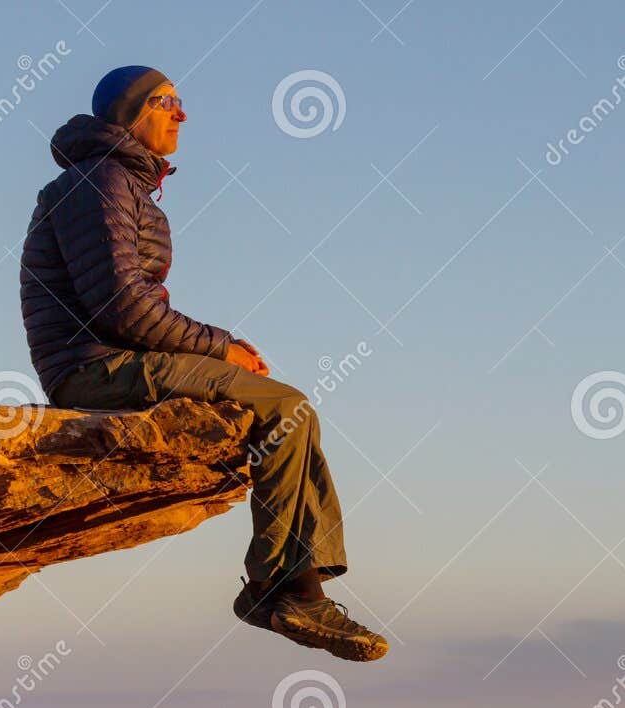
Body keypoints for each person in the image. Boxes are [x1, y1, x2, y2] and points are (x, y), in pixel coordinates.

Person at [20, 65, 388, 663]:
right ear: (132, 111)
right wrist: (221, 347)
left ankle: (286, 588)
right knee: (285, 407)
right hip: (96, 369)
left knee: (282, 406)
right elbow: (121, 308)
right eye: (167, 102)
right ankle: (289, 592)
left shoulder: (115, 182)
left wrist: (218, 349)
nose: (182, 114)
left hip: (112, 359)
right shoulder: (101, 181)